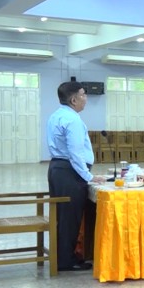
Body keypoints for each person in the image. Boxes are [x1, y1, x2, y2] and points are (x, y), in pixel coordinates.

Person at [47, 81, 106, 271]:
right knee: (70, 218)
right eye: (83, 95)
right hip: (69, 172)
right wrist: (88, 176)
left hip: (58, 169)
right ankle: (65, 261)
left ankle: (63, 256)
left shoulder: (56, 115)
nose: (86, 98)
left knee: (64, 217)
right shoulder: (72, 120)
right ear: (73, 99)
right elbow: (75, 153)